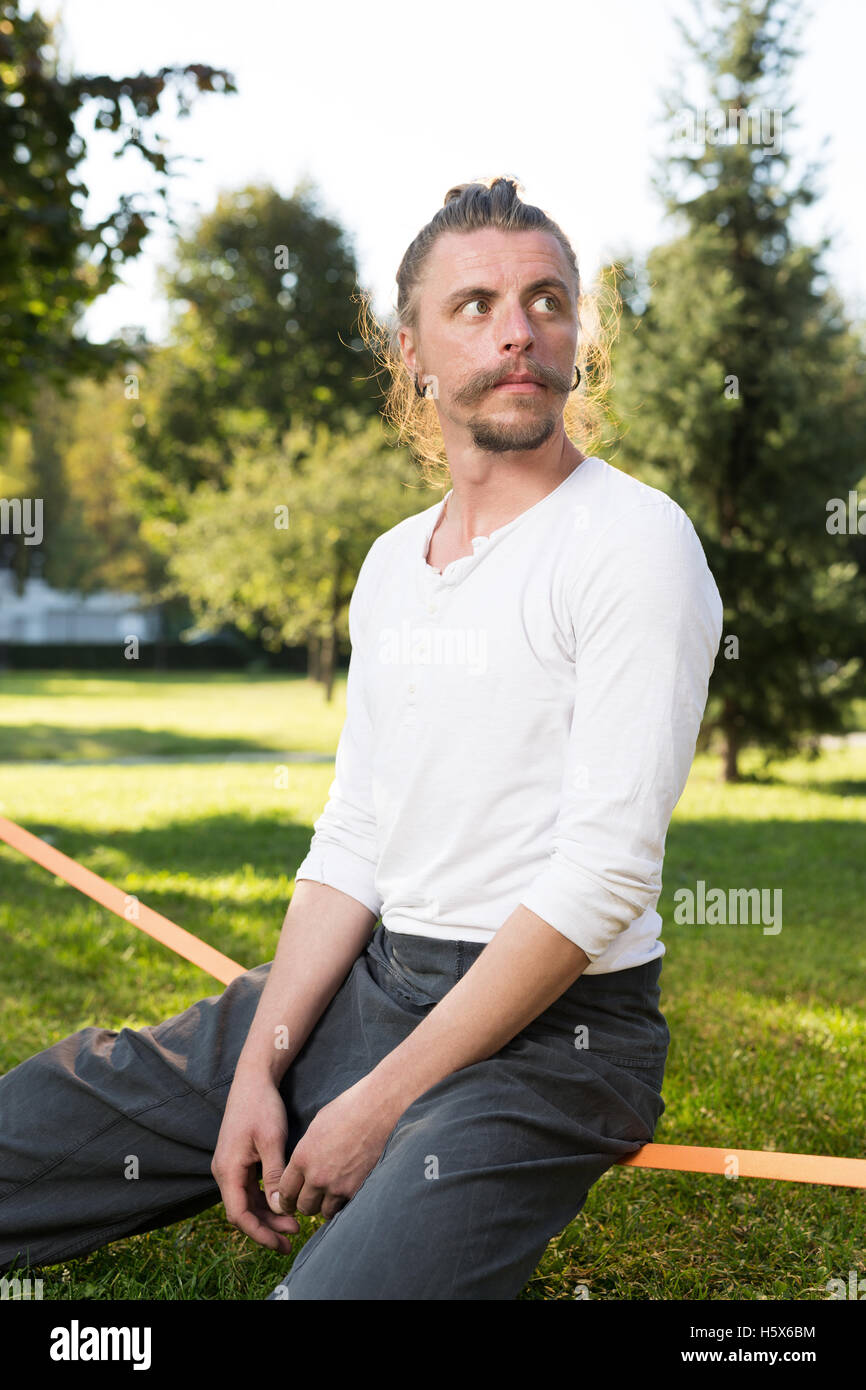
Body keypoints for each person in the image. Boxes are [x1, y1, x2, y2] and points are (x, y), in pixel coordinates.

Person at [0, 175, 724, 1300]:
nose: (518, 328)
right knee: (27, 1127)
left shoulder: (634, 542)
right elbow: (355, 835)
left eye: (546, 298)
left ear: (577, 333)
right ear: (412, 355)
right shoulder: (392, 564)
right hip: (378, 983)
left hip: (554, 1040)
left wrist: (378, 1102)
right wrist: (261, 1067)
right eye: (474, 304)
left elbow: (601, 876)